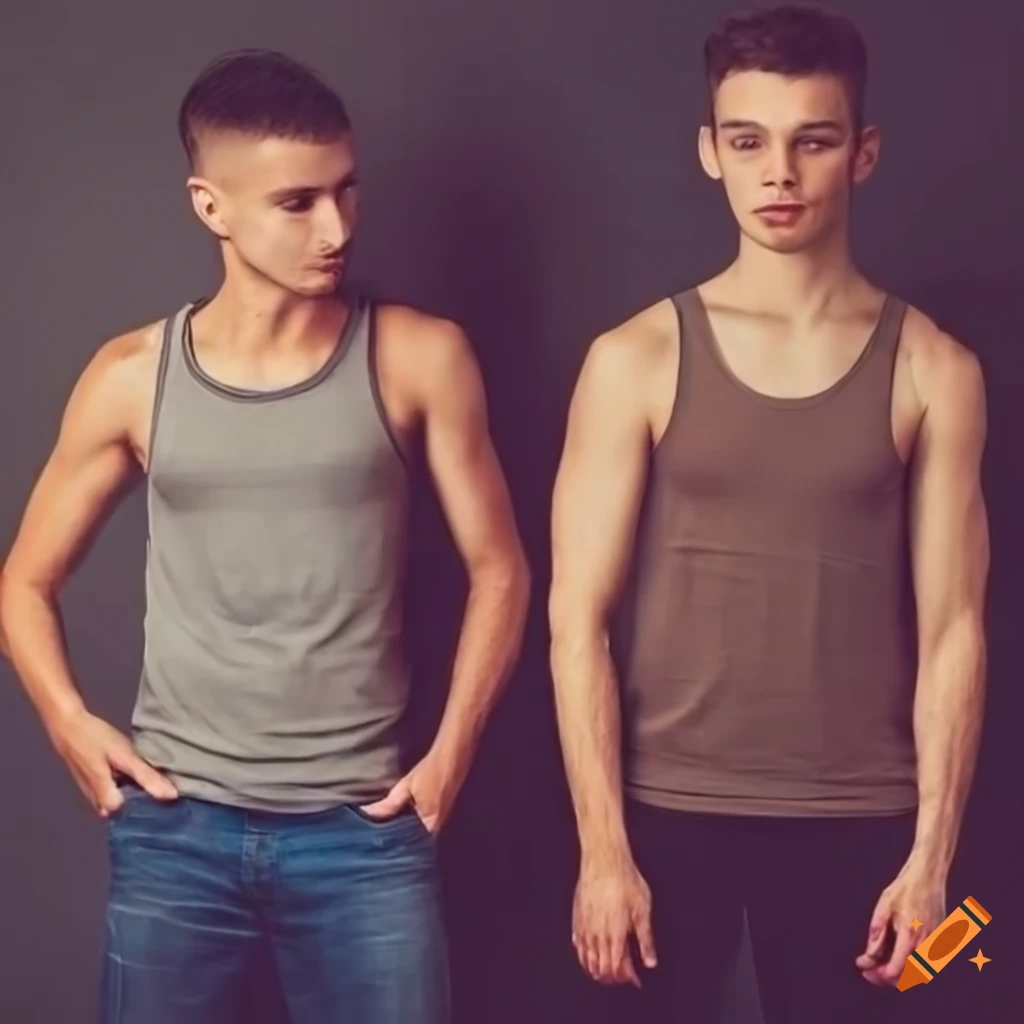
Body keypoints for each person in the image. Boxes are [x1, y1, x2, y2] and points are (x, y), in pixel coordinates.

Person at [0, 49, 529, 1024]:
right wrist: (70, 726)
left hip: (361, 833)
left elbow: (499, 568)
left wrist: (451, 751)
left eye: (345, 192)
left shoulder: (418, 356)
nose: (336, 228)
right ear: (213, 207)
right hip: (175, 834)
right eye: (297, 203)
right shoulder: (130, 375)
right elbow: (24, 581)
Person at [548, 6, 988, 1023]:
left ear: (862, 153)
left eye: (813, 140)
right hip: (666, 811)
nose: (777, 172)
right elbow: (577, 620)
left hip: (859, 814)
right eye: (747, 141)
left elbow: (954, 626)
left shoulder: (935, 368)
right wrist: (602, 849)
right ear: (711, 152)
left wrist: (931, 857)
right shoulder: (634, 358)